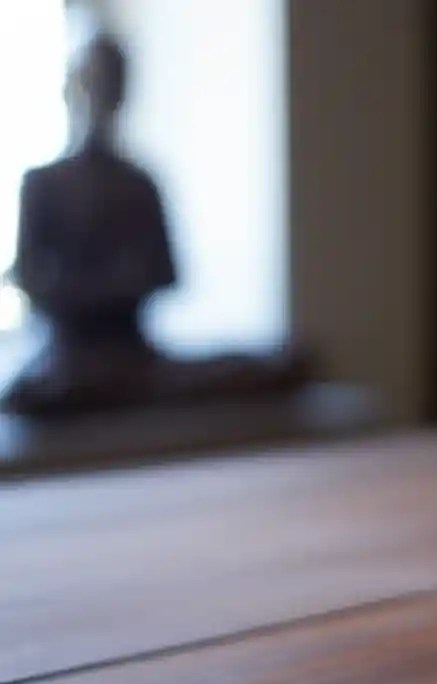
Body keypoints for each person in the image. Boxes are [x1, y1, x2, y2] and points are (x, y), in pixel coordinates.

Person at [3, 31, 306, 415]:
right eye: (95, 80)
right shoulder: (43, 184)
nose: (102, 94)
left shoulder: (139, 183)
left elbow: (165, 273)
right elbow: (31, 277)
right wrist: (102, 285)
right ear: (74, 87)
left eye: (112, 82)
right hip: (69, 360)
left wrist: (117, 282)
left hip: (136, 356)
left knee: (274, 362)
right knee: (44, 395)